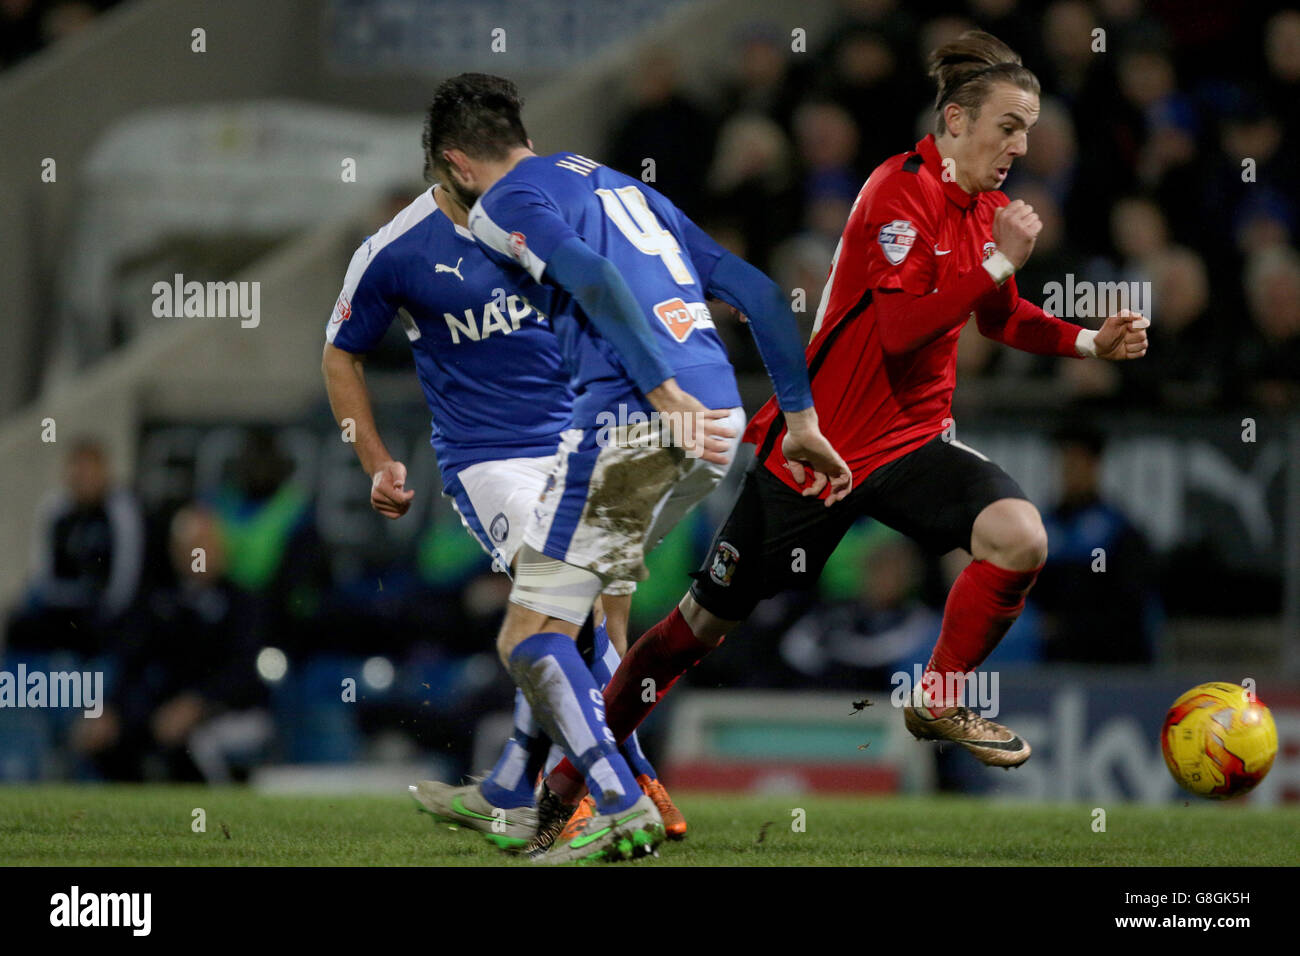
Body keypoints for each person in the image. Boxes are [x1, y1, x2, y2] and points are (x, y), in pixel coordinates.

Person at [533, 30, 1150, 842]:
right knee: (695, 630)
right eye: (1009, 125)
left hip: (913, 443)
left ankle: (939, 697)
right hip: (817, 451)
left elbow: (995, 319)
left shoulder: (990, 212)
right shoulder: (898, 192)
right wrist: (998, 264)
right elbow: (901, 331)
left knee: (1018, 536)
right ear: (957, 120)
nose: (1021, 145)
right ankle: (571, 770)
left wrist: (1082, 341)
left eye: (1029, 128)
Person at [428, 73, 849, 861]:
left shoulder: (504, 203)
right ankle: (559, 790)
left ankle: (615, 801)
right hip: (717, 423)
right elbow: (756, 291)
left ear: (455, 162)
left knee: (526, 634)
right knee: (599, 604)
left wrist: (658, 389)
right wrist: (799, 419)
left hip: (637, 420)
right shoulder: (618, 182)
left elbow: (592, 278)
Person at [321, 157, 693, 848]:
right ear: (451, 162)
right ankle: (612, 787)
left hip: (594, 436)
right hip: (499, 460)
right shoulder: (396, 250)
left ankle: (558, 789)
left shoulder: (550, 219)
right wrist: (376, 462)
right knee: (560, 610)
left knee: (593, 628)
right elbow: (341, 352)